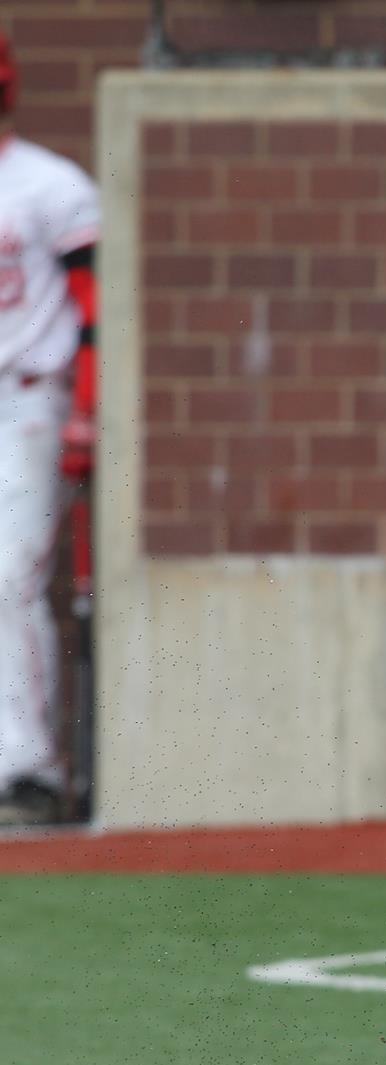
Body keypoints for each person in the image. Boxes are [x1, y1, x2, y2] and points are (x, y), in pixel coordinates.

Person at [0, 29, 97, 826]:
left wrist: (87, 409)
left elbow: (95, 312)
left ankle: (28, 769)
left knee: (10, 578)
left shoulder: (51, 185)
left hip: (28, 398)